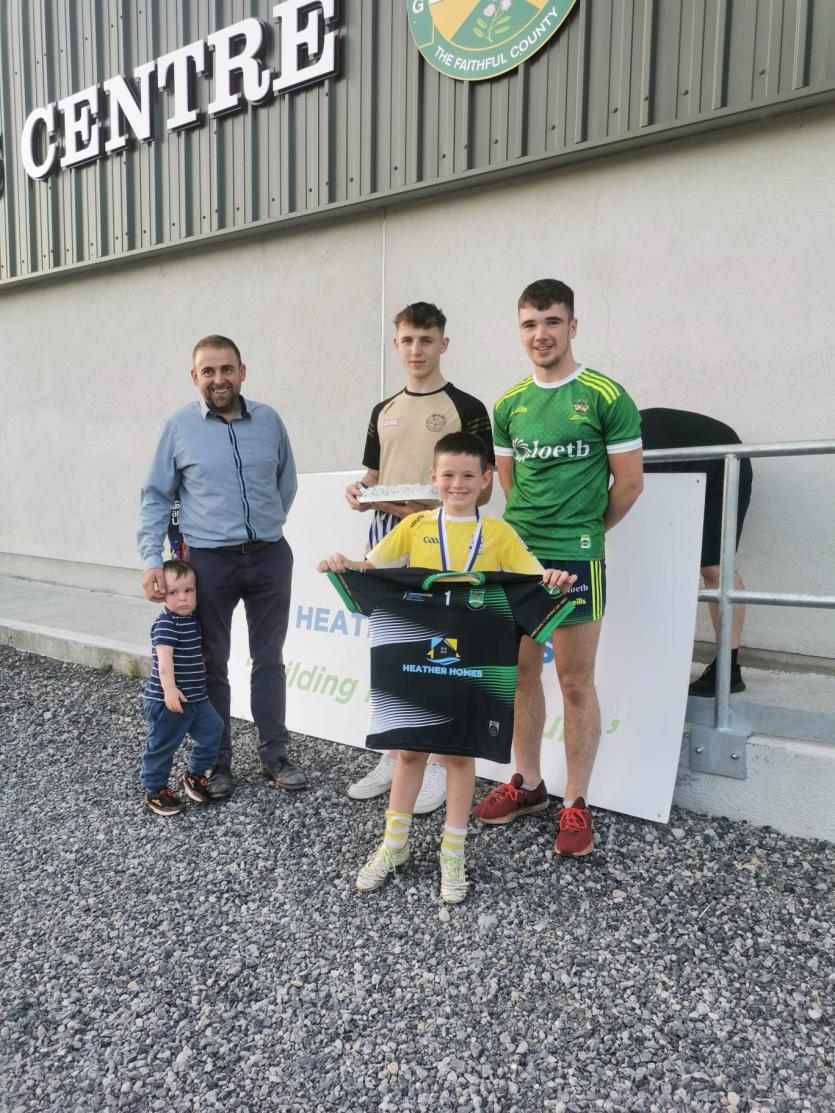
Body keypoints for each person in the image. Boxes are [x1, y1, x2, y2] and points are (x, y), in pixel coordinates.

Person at [319, 432, 577, 902]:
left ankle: (451, 852)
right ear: (433, 478)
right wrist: (342, 563)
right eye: (448, 475)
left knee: (461, 755)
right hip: (420, 658)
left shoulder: (499, 534)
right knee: (411, 750)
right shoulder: (416, 525)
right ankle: (393, 845)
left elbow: (534, 579)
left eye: (467, 476)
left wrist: (553, 579)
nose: (457, 483)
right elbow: (371, 567)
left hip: (474, 662)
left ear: (485, 481)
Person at [474, 279, 644, 857]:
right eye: (529, 323)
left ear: (572, 326)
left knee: (574, 682)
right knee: (520, 676)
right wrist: (531, 540)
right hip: (520, 560)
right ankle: (528, 785)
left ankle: (575, 803)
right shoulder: (508, 404)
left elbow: (629, 484)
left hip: (576, 557)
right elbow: (508, 482)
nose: (540, 334)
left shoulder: (604, 395)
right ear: (519, 330)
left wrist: (587, 534)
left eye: (551, 322)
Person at [343, 302, 496, 813]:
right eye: (407, 340)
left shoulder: (468, 407)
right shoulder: (382, 409)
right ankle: (394, 751)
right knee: (391, 646)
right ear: (396, 344)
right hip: (387, 534)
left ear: (443, 344)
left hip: (442, 541)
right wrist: (360, 491)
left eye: (426, 340)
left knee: (438, 651)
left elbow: (484, 492)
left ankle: (433, 764)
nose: (416, 350)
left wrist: (413, 507)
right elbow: (372, 475)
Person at [138, 335, 303, 800]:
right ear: (195, 377)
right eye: (208, 371)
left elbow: (285, 484)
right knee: (212, 664)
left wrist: (263, 526)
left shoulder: (269, 421)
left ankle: (275, 755)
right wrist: (153, 559)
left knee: (269, 658)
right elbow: (155, 496)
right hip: (209, 563)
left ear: (242, 371)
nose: (218, 379)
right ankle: (217, 762)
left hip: (270, 555)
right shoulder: (178, 426)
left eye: (226, 369)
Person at [640, 407, 753, 695]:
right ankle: (655, 657)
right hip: (683, 462)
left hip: (722, 461)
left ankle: (728, 670)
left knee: (714, 565)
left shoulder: (626, 442)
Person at [140, 559, 223, 816]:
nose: (183, 598)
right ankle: (155, 790)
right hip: (169, 701)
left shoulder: (192, 620)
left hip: (197, 698)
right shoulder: (167, 624)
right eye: (174, 592)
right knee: (162, 744)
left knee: (214, 729)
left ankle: (195, 774)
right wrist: (169, 690)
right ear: (161, 594)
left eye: (189, 590)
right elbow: (163, 661)